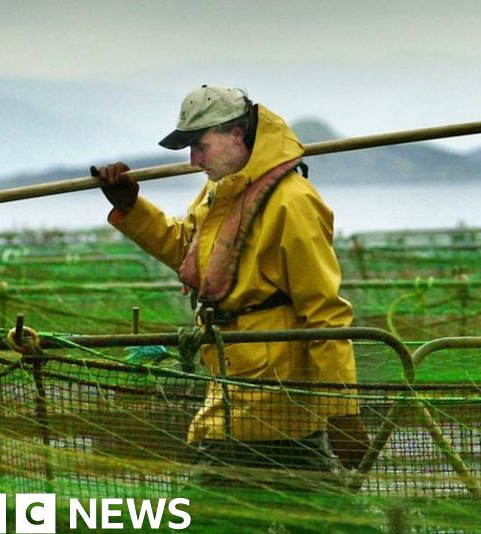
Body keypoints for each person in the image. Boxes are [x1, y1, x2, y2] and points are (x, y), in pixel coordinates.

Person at [91, 85, 369, 481]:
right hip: (229, 388)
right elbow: (189, 251)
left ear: (236, 133)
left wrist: (342, 411)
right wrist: (130, 207)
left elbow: (325, 313)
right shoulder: (221, 189)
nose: (194, 160)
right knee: (306, 508)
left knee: (222, 507)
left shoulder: (293, 202)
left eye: (201, 146)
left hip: (274, 399)